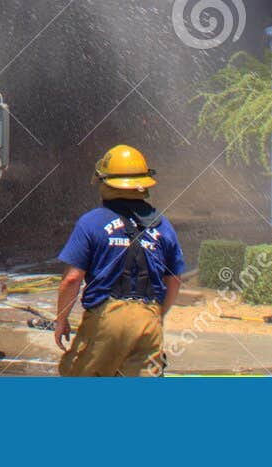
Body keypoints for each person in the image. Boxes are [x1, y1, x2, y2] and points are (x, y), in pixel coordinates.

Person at [53, 144, 184, 376]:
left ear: (105, 183)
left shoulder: (91, 223)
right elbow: (174, 280)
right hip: (148, 319)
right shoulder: (163, 226)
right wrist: (157, 315)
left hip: (106, 320)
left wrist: (61, 319)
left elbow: (72, 279)